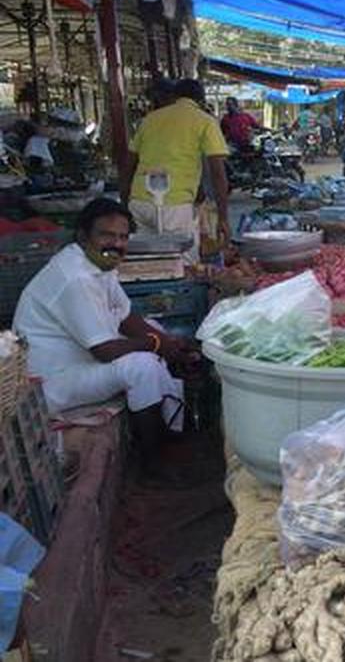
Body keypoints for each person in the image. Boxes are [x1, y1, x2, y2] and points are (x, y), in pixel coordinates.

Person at [13, 199, 198, 478]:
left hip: (78, 359)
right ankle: (153, 463)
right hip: (52, 382)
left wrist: (170, 344)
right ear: (83, 236)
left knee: (152, 329)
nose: (117, 243)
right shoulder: (75, 278)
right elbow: (105, 351)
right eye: (107, 235)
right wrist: (157, 345)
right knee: (142, 366)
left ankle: (174, 431)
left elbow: (125, 317)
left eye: (123, 237)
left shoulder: (99, 263)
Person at [121, 78, 230, 261]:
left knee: (145, 264)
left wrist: (125, 204)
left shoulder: (150, 119)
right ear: (201, 101)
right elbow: (217, 173)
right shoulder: (205, 121)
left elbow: (128, 165)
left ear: (174, 96)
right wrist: (223, 217)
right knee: (182, 265)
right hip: (175, 204)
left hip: (139, 202)